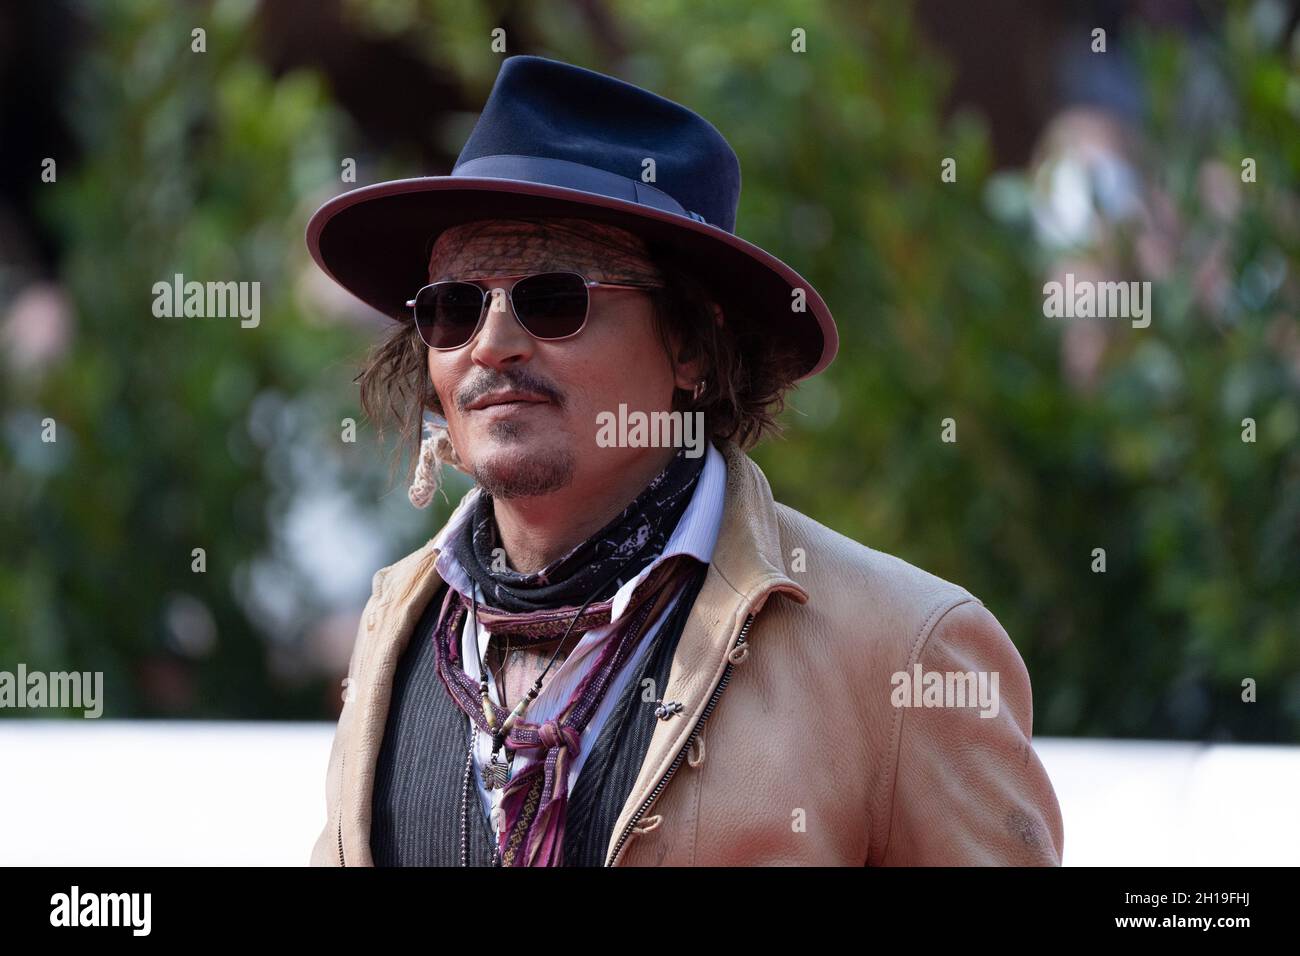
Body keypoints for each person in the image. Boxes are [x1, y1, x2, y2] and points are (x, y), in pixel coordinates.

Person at [305, 54, 1064, 866]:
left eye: (555, 299)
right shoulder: (397, 628)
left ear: (693, 345)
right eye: (454, 307)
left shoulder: (903, 651)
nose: (491, 344)